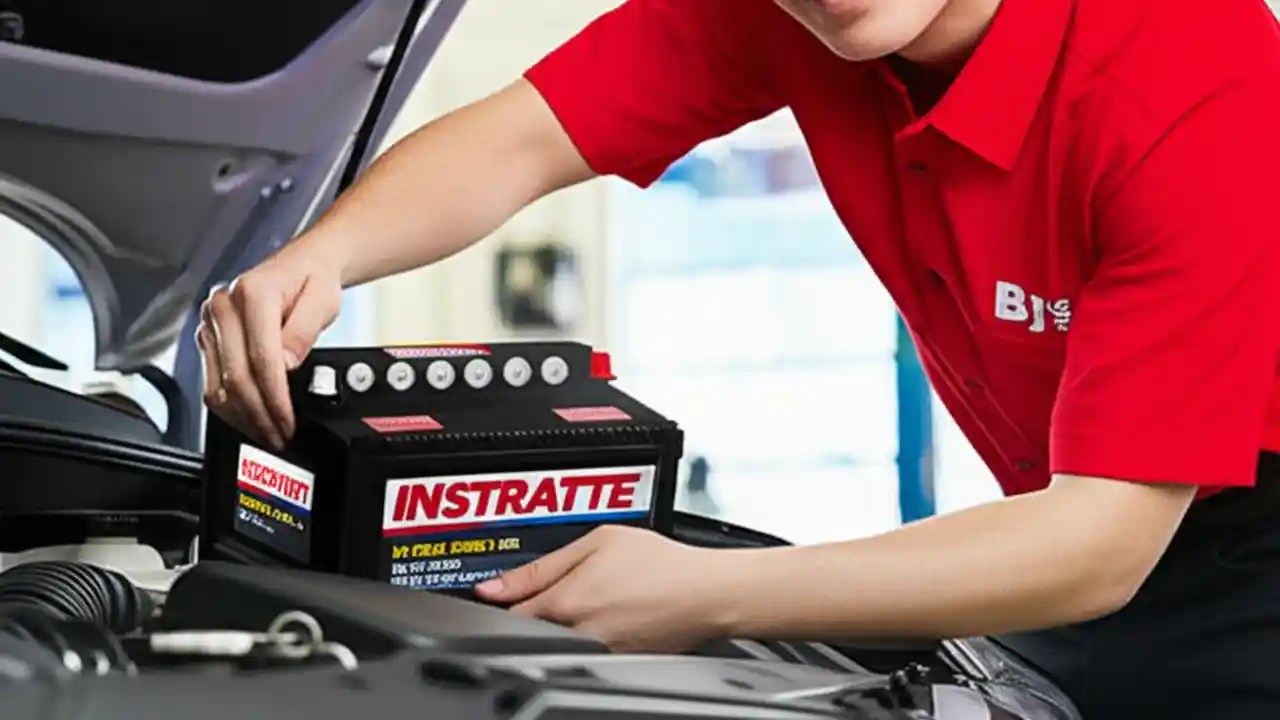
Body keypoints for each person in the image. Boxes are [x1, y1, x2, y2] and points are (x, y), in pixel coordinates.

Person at [196, 0, 1280, 716]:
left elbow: (1100, 543)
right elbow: (524, 137)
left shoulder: (1192, 76)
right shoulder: (794, 12)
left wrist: (712, 593)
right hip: (1055, 540)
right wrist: (321, 255)